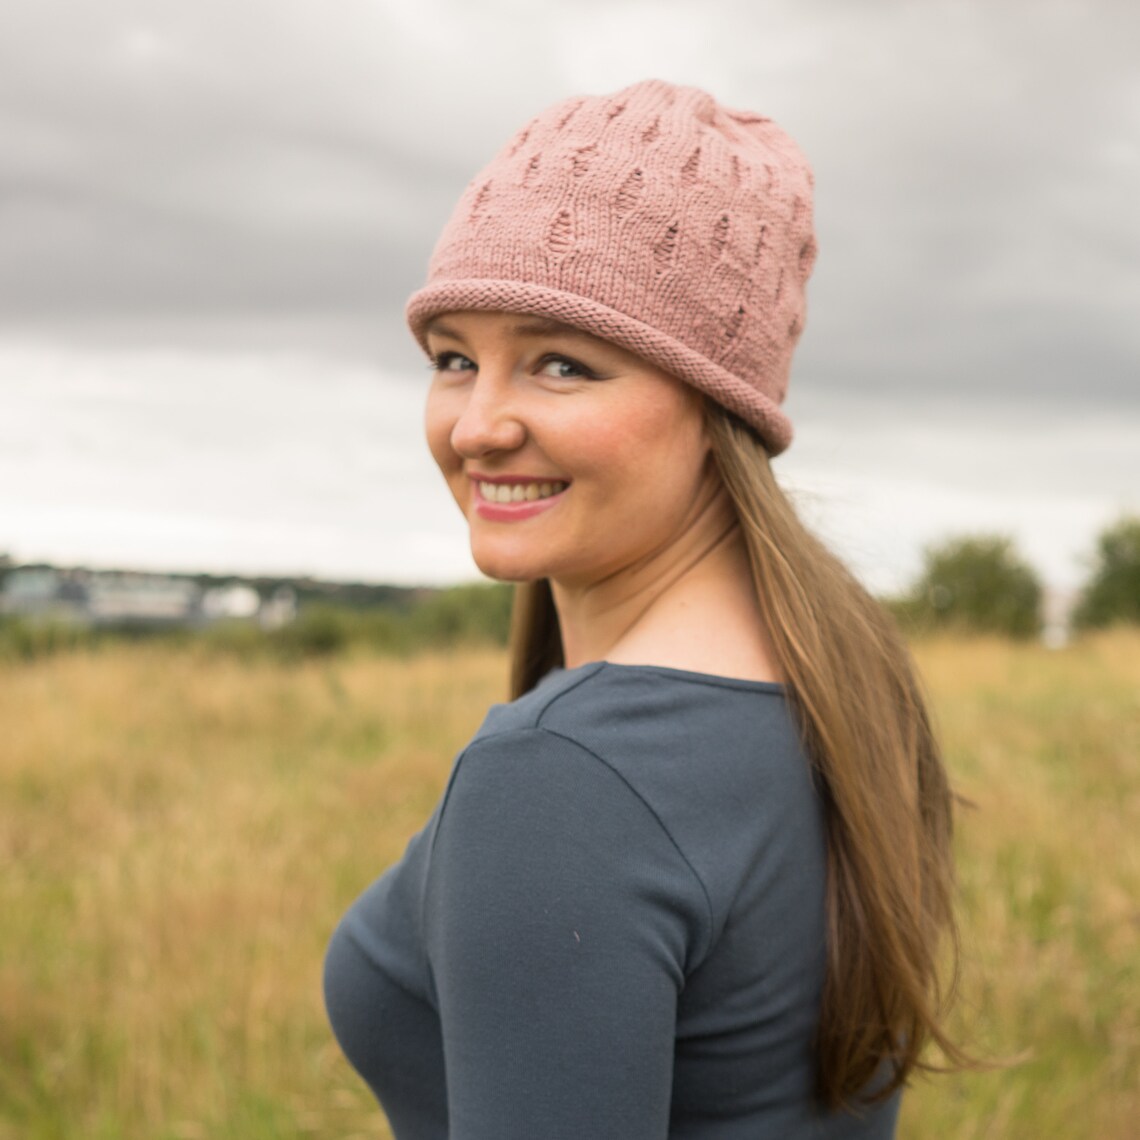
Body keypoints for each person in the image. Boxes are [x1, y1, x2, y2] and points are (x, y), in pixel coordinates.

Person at [324, 78, 962, 1138]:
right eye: (452, 360)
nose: (478, 426)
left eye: (562, 363)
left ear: (716, 402)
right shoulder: (836, 683)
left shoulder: (564, 779)